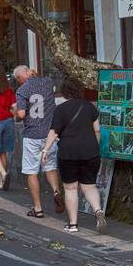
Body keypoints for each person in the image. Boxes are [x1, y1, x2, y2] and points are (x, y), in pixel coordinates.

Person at [39, 85, 107, 235]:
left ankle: (73, 224)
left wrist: (45, 149)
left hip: (68, 152)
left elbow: (54, 132)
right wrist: (94, 146)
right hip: (90, 151)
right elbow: (97, 130)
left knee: (70, 188)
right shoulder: (89, 106)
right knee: (89, 186)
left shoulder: (61, 109)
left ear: (65, 93)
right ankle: (98, 210)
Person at [13, 64, 64, 218]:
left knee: (31, 171)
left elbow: (21, 114)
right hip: (50, 134)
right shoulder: (47, 82)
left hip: (32, 135)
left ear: (20, 78)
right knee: (50, 166)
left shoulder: (22, 90)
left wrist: (14, 114)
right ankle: (56, 190)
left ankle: (38, 208)